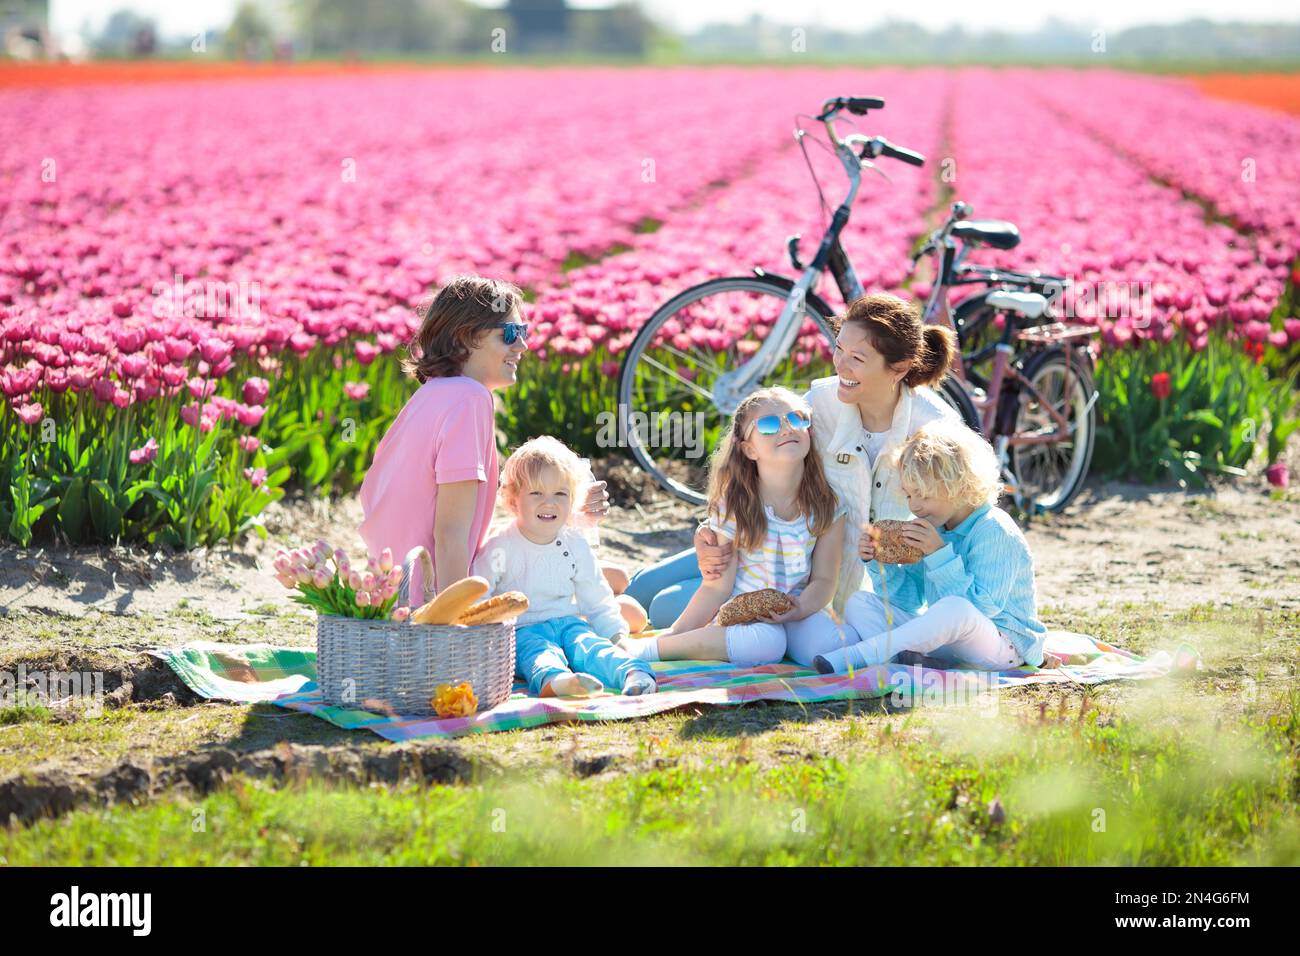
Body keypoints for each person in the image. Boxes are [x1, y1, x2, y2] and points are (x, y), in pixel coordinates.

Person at [620, 387, 844, 666]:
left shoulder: (828, 505)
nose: (787, 428)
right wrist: (675, 633)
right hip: (742, 615)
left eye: (797, 418)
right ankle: (661, 648)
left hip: (796, 609)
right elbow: (716, 587)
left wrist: (800, 609)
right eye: (770, 424)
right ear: (749, 449)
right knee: (766, 643)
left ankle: (785, 641)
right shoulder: (737, 505)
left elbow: (824, 581)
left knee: (828, 647)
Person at [814, 419, 1047, 674]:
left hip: (1001, 646)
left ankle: (860, 656)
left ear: (960, 485)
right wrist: (879, 563)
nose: (914, 506)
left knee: (955, 609)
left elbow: (980, 609)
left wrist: (938, 554)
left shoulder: (995, 530)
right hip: (949, 641)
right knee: (860, 602)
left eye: (924, 495)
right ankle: (913, 661)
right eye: (909, 494)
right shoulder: (933, 527)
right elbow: (912, 600)